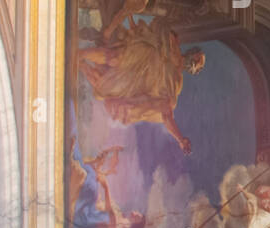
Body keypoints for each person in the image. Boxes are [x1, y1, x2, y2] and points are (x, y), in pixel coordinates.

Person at [77, 19, 204, 153]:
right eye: (198, 57)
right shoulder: (174, 45)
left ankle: (80, 64)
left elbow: (166, 111)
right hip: (142, 55)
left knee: (106, 87)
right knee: (116, 57)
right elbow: (162, 31)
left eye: (198, 62)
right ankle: (81, 54)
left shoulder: (177, 81)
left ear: (193, 69)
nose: (195, 59)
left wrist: (180, 139)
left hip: (137, 83)